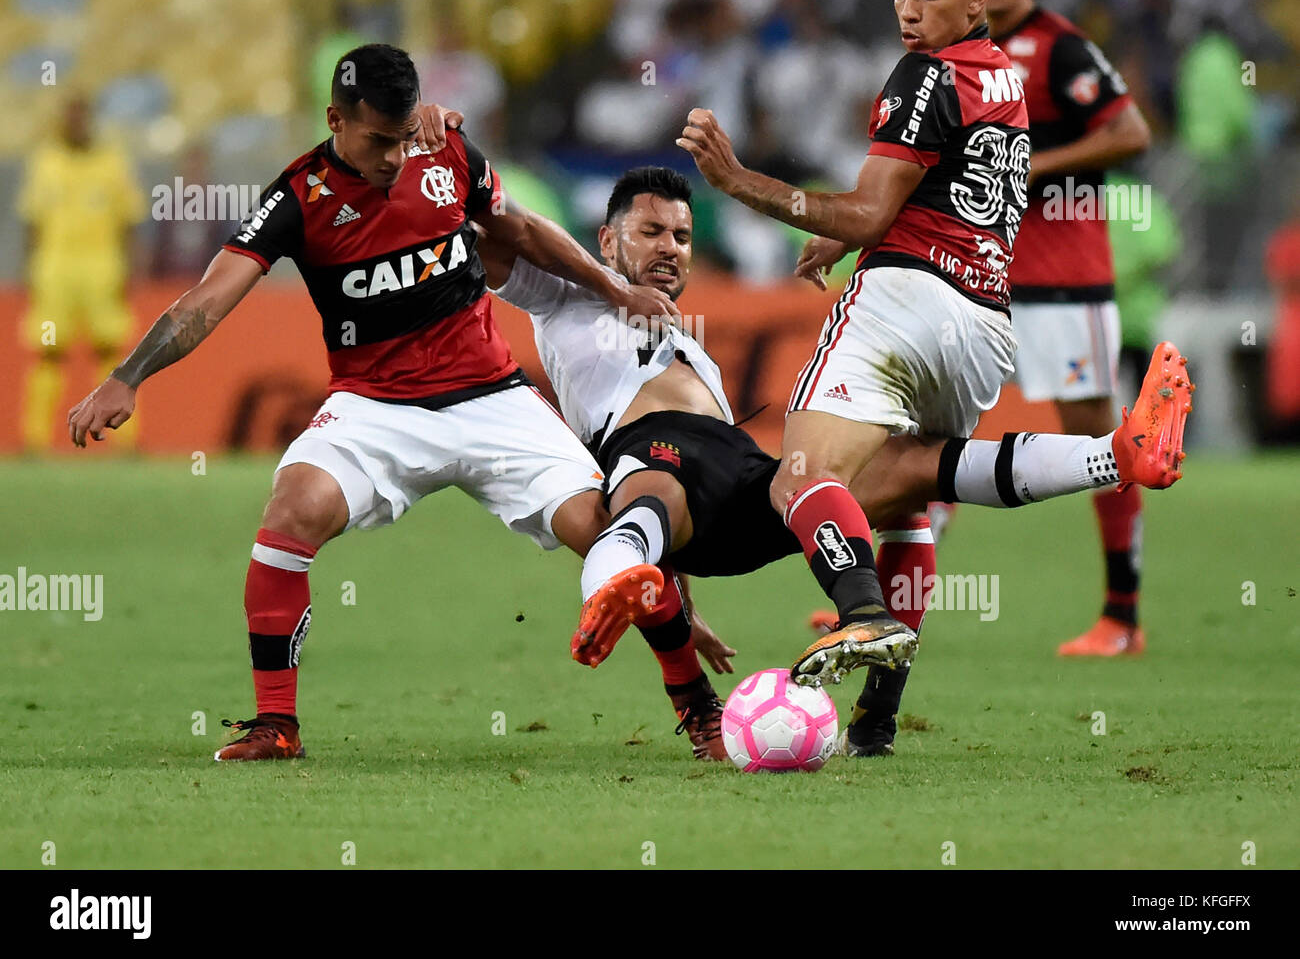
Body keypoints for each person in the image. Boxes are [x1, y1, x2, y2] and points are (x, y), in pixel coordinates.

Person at [66, 44, 677, 762]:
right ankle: (276, 725)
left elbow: (518, 229)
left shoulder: (444, 145)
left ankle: (696, 702)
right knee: (291, 506)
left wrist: (615, 286)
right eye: (377, 140)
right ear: (335, 119)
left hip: (491, 395)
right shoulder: (298, 197)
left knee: (606, 529)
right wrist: (128, 375)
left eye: (401, 135)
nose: (393, 156)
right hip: (376, 407)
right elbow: (208, 298)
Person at [675, 0, 1191, 745]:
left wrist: (737, 181)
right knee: (914, 497)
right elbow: (932, 203)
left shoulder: (923, 77)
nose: (909, 11)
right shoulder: (1003, 79)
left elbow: (873, 214)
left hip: (903, 305)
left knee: (798, 480)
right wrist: (838, 233)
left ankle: (862, 610)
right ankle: (1111, 457)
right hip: (984, 322)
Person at [484, 165, 1192, 758]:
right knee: (651, 492)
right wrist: (443, 154)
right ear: (606, 239)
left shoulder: (693, 346)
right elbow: (495, 230)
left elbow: (711, 483)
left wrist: (678, 605)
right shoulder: (564, 294)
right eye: (650, 233)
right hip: (648, 460)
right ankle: (682, 684)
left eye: (682, 235)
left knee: (913, 470)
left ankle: (1117, 453)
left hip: (740, 480)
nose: (669, 247)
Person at [978, 0, 1157, 657]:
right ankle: (884, 602)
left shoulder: (1060, 48)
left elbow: (1131, 132)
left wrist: (1028, 166)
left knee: (1101, 440)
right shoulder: (963, 52)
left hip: (1066, 280)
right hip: (981, 275)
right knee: (932, 431)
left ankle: (1122, 614)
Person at [19, 94, 146, 452]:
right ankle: (35, 440)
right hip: (54, 267)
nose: (75, 122)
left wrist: (131, 268)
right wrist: (30, 272)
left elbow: (128, 221)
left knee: (112, 353)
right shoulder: (46, 161)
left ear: (90, 119)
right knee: (48, 350)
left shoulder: (112, 162)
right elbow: (32, 221)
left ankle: (126, 444)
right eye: (69, 115)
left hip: (102, 267)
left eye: (81, 115)